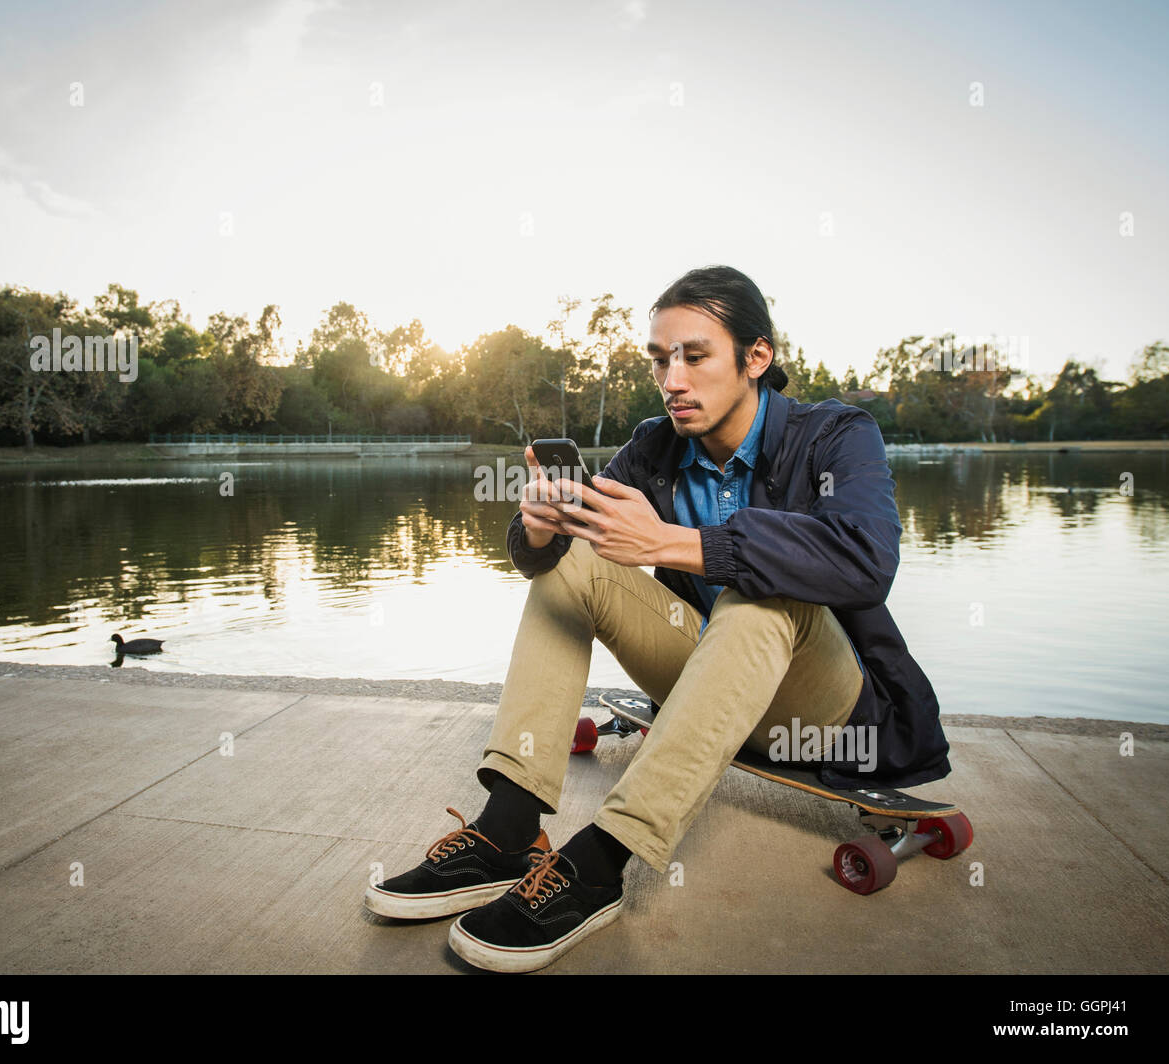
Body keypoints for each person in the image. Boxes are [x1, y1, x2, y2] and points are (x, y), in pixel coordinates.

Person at [364, 264, 950, 973]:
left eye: (695, 357)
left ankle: (599, 865)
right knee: (575, 559)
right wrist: (540, 529)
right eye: (659, 360)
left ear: (756, 357)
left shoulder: (836, 433)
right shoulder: (655, 445)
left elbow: (866, 560)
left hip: (822, 707)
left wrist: (676, 543)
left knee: (762, 591)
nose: (672, 380)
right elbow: (546, 552)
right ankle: (508, 832)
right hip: (712, 685)